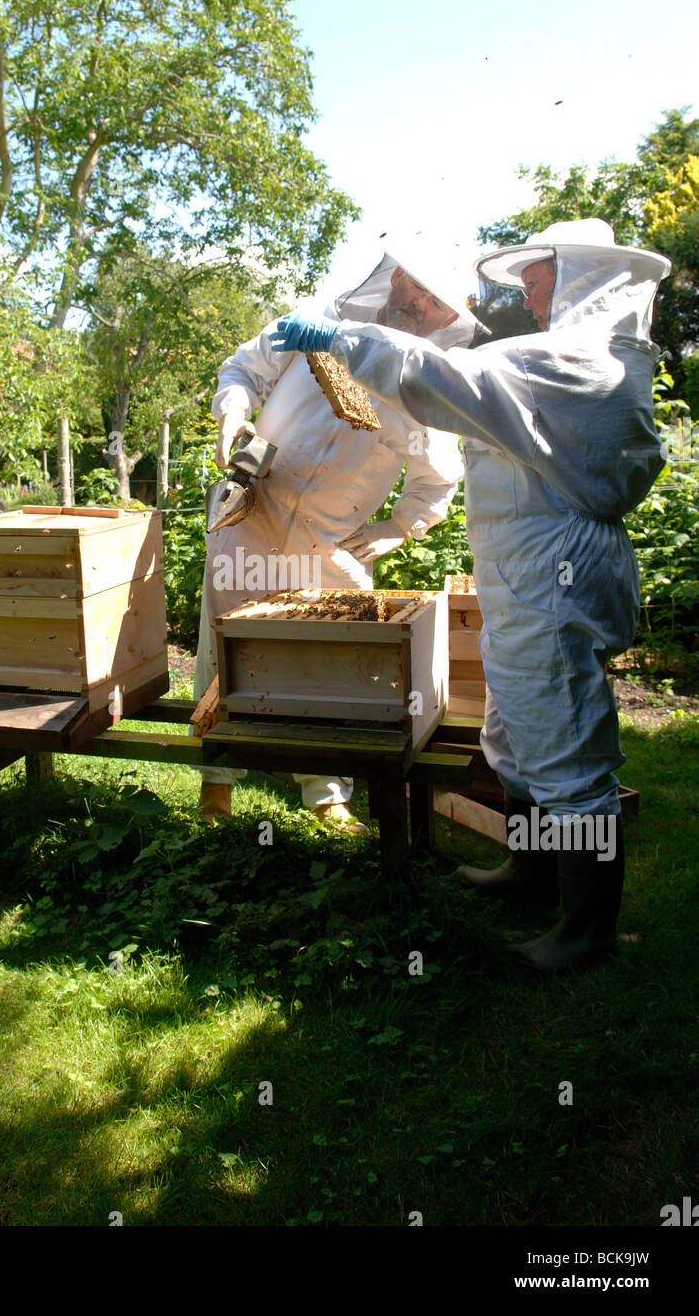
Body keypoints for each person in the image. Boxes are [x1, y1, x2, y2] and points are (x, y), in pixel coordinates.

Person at [270, 219, 670, 970]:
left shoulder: (576, 363)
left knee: (567, 753)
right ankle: (528, 872)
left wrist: (343, 338)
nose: (528, 289)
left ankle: (583, 933)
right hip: (528, 575)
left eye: (541, 274)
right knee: (519, 735)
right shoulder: (581, 355)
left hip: (551, 576)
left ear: (586, 274)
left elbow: (445, 380)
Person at [195, 252, 481, 828]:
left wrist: (398, 529)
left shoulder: (423, 379)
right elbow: (241, 372)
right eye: (418, 290)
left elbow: (438, 478)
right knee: (223, 645)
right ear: (397, 275)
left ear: (448, 318)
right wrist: (232, 420)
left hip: (331, 541)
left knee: (333, 659)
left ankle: (327, 793)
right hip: (248, 508)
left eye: (436, 305)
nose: (420, 309)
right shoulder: (317, 322)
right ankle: (216, 785)